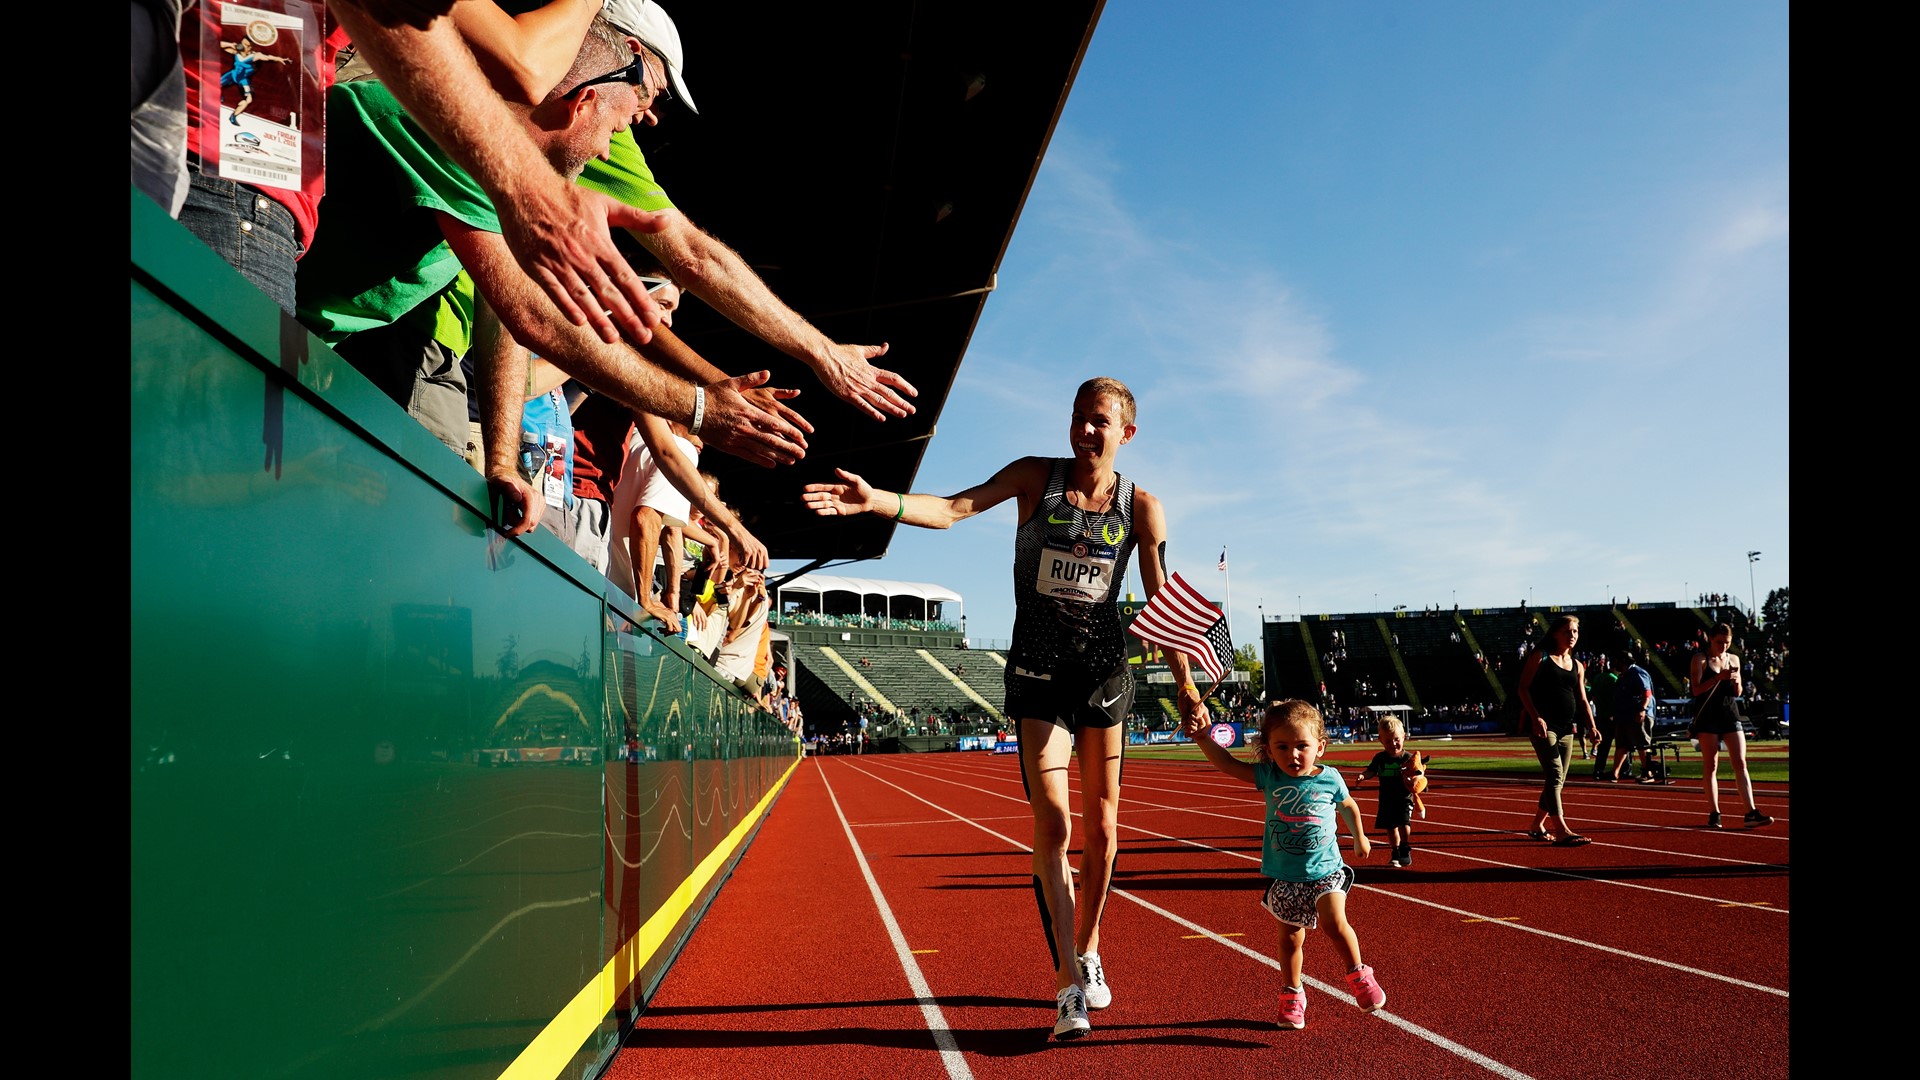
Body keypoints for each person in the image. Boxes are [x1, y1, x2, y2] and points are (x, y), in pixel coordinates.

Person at [801, 376, 1209, 1040]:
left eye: (1099, 421)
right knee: (1055, 821)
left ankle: (1090, 949)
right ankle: (1066, 987)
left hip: (1104, 677)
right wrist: (879, 501)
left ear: (1125, 433)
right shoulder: (1033, 478)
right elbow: (957, 508)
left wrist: (1186, 687)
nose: (1085, 430)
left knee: (1105, 830)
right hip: (1037, 676)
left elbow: (1162, 607)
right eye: (1078, 417)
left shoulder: (1142, 509)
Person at [295, 16, 810, 537]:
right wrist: (699, 406)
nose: (607, 153)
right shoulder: (459, 139)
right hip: (259, 311)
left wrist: (500, 461)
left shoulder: (497, 178)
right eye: (615, 130)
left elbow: (503, 316)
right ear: (582, 101)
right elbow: (535, 317)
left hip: (303, 339)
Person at [577, 1, 920, 422]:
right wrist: (820, 353)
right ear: (626, 52)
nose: (650, 116)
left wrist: (716, 389)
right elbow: (695, 258)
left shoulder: (589, 125)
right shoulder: (588, 119)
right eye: (654, 92)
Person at [1182, 699, 1386, 1030]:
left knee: (1334, 922)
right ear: (1268, 748)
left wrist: (1359, 836)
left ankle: (1359, 975)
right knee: (1291, 938)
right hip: (1286, 876)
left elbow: (1348, 805)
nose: (1293, 754)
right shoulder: (1269, 776)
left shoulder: (1330, 779)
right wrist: (1204, 737)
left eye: (1302, 746)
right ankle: (1293, 995)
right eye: (1282, 746)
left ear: (1319, 747)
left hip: (1326, 870)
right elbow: (1227, 764)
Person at [1515, 614, 1600, 846]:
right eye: (1567, 631)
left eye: (1575, 632)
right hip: (1544, 727)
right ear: (1555, 633)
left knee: (1558, 780)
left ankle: (1537, 825)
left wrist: (1591, 727)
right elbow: (1523, 689)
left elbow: (1582, 700)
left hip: (1567, 728)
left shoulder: (1578, 665)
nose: (1572, 636)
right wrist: (1535, 716)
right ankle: (1561, 829)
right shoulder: (1540, 657)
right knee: (1554, 775)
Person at [1689, 623, 1772, 828]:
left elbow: (1738, 692)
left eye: (1727, 643)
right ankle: (1714, 812)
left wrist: (1735, 682)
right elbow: (1696, 690)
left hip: (1730, 714)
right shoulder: (1700, 659)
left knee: (1740, 763)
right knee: (1711, 765)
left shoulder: (1733, 658)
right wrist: (1718, 677)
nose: (1724, 647)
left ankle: (1750, 812)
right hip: (1707, 717)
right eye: (1719, 642)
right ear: (1710, 639)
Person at [1355, 715, 1424, 867]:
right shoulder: (1380, 758)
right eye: (1388, 741)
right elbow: (1371, 771)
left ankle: (1405, 848)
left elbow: (1418, 775)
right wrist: (1363, 776)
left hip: (1404, 797)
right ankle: (1395, 850)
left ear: (1403, 737)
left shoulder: (1409, 758)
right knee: (1390, 827)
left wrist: (1414, 781)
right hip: (1386, 799)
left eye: (1396, 739)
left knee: (1404, 822)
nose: (1393, 744)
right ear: (1381, 740)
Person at [1610, 646, 1658, 784]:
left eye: (1617, 661)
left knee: (1642, 744)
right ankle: (1615, 773)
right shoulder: (1624, 676)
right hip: (1624, 716)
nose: (1615, 664)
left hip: (1637, 715)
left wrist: (1642, 709)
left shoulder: (1637, 673)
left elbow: (1646, 693)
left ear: (1623, 661)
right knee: (1622, 745)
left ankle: (1647, 772)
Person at [1587, 654, 1620, 779]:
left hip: (1601, 716)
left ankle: (1598, 770)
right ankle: (1623, 769)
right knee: (1621, 745)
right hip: (1613, 716)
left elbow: (1593, 696)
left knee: (1603, 747)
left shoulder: (1597, 678)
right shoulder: (1614, 679)